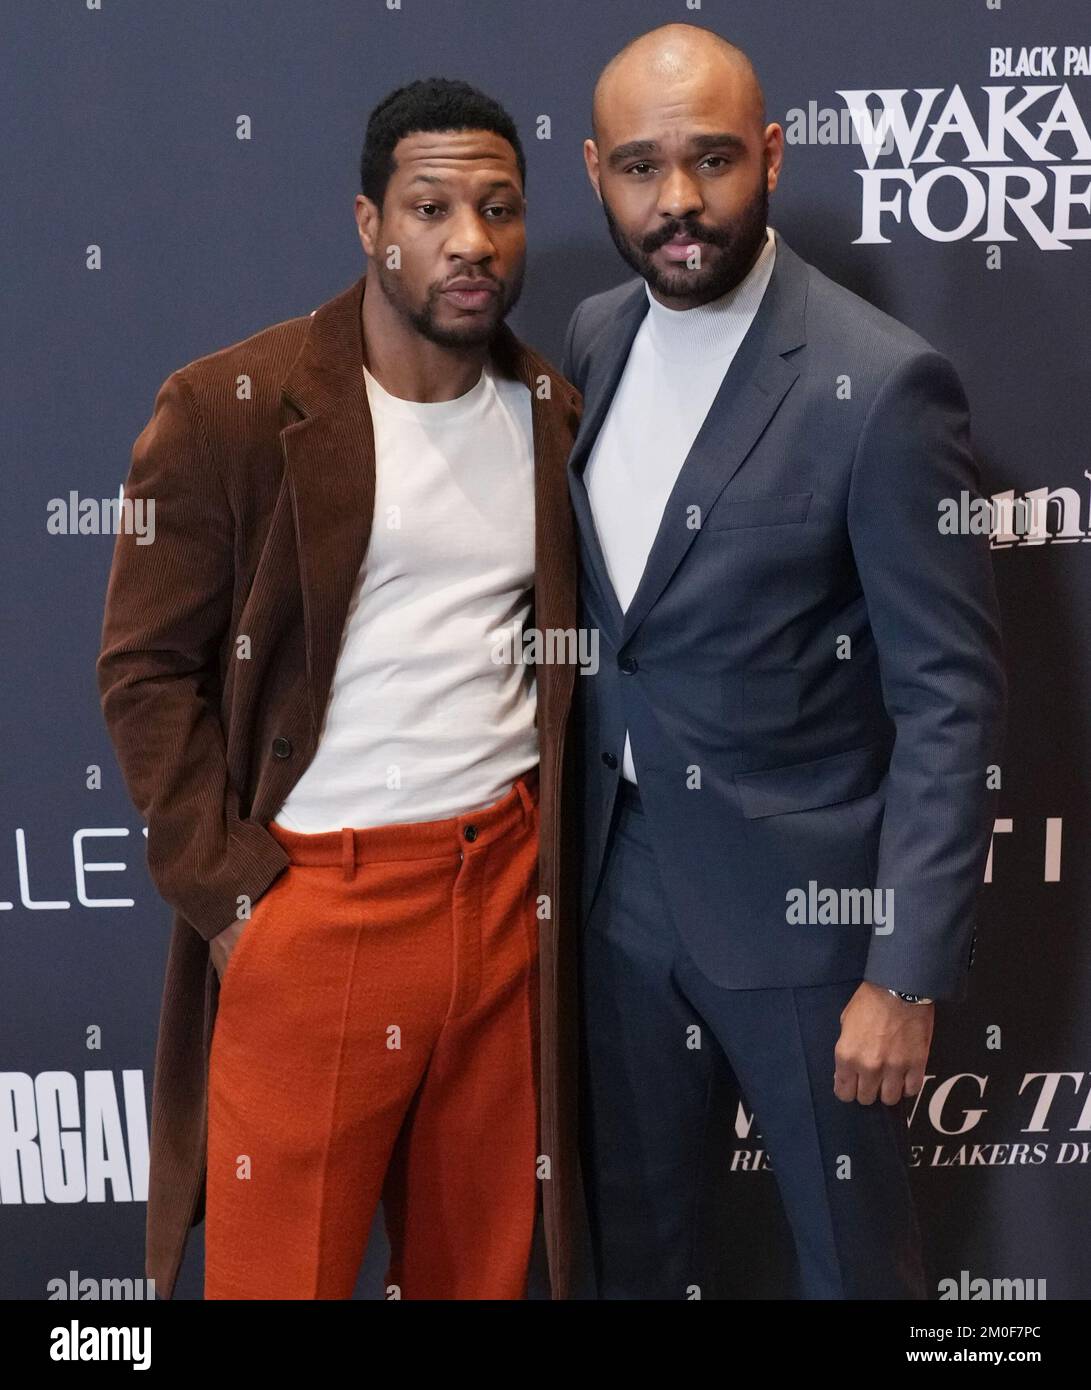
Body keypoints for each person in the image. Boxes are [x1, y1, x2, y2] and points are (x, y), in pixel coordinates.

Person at [97, 77, 583, 1300]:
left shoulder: (552, 414)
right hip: (319, 903)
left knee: (475, 1273)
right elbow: (143, 671)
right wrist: (238, 901)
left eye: (498, 208)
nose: (469, 240)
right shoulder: (229, 409)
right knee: (281, 1281)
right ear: (368, 223)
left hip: (505, 887)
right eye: (430, 207)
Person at [561, 24, 1007, 1299]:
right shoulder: (596, 336)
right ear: (596, 171)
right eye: (641, 169)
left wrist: (903, 972)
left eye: (710, 161)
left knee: (853, 1269)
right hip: (616, 898)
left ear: (768, 155)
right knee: (638, 1260)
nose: (678, 203)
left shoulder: (881, 382)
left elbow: (948, 699)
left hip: (813, 931)